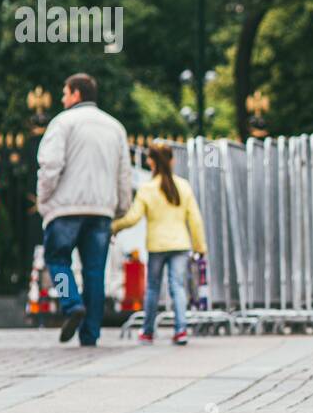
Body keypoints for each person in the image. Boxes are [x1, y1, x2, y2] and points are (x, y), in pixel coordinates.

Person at [37, 73, 132, 346]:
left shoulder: (62, 122)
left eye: (65, 93)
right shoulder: (115, 127)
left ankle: (71, 302)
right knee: (94, 272)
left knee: (57, 260)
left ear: (77, 94)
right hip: (102, 209)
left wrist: (44, 200)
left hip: (65, 208)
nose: (62, 98)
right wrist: (121, 209)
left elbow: (50, 166)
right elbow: (123, 174)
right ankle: (90, 333)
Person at [111, 142, 206, 346]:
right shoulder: (183, 186)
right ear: (172, 161)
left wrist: (113, 227)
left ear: (151, 162)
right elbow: (195, 219)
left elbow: (133, 218)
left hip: (156, 246)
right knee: (177, 286)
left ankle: (147, 331)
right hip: (180, 244)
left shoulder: (147, 189)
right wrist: (200, 247)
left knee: (153, 288)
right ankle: (181, 330)